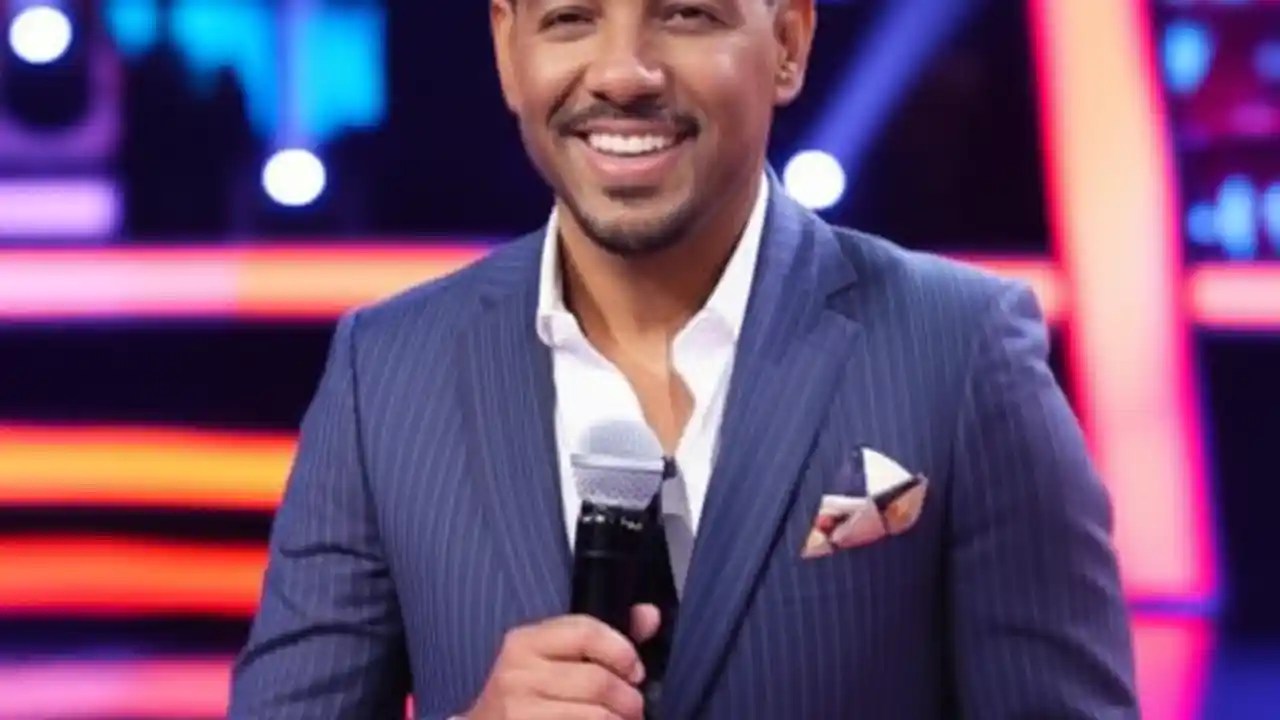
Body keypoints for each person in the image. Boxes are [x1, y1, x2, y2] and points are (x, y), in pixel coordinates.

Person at [228, 0, 1139, 717]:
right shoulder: (386, 371)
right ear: (508, 51)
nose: (624, 72)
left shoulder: (960, 348)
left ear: (788, 41)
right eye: (571, 18)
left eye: (687, 13)